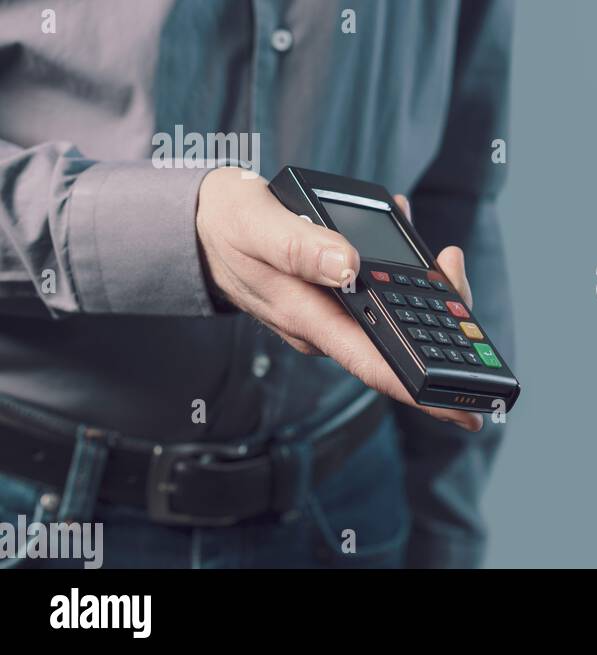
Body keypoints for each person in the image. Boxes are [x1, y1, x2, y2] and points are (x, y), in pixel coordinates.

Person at [0, 0, 515, 568]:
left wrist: (449, 529)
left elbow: (460, 190)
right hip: (41, 515)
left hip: (353, 504)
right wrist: (183, 230)